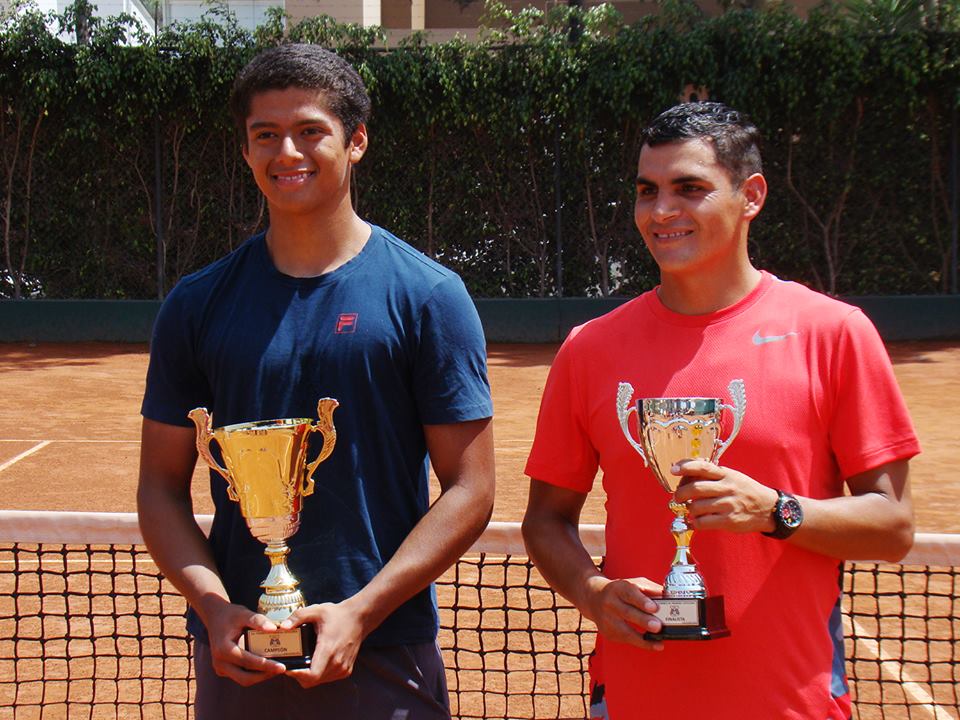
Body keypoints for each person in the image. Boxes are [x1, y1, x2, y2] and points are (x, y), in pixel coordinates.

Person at [521, 101, 918, 720]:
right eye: (647, 191)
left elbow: (893, 524)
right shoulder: (588, 350)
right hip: (633, 700)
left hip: (791, 703)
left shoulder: (835, 333)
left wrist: (776, 511)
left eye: (690, 189)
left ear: (751, 195)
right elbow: (546, 520)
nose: (662, 212)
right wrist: (594, 593)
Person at [136, 44, 495, 719]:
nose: (286, 152)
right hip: (239, 655)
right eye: (264, 135)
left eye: (310, 131)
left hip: (384, 652)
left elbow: (471, 489)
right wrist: (214, 609)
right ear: (245, 151)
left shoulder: (428, 297)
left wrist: (361, 613)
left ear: (355, 141)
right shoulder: (195, 304)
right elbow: (159, 486)